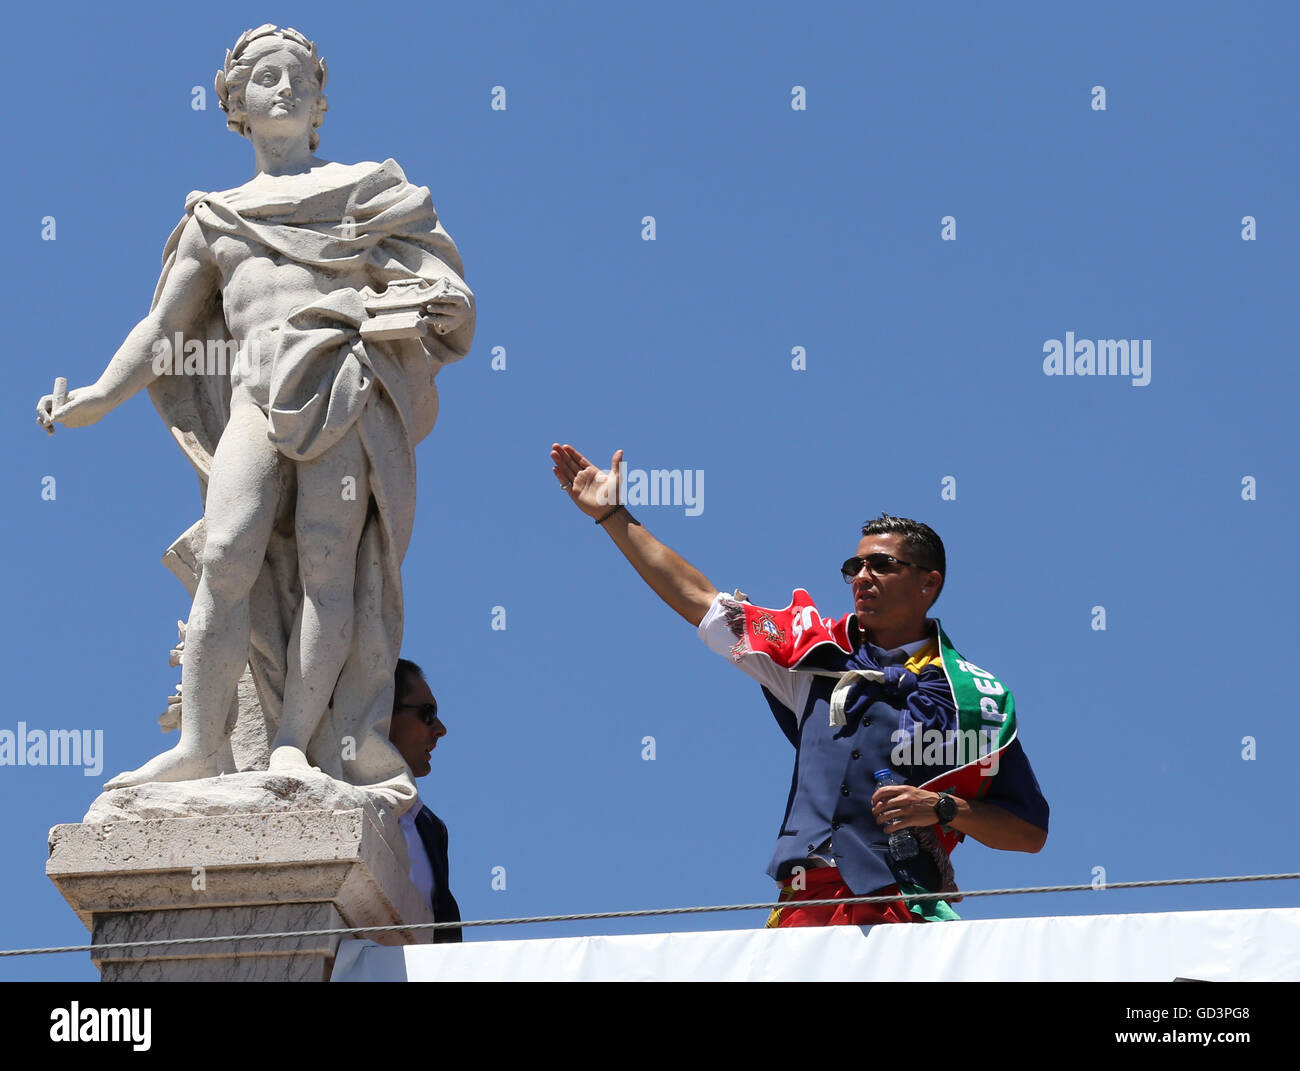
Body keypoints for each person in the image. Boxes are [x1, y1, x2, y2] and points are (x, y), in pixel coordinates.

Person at [36, 25, 474, 801]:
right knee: (227, 555)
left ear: (320, 100)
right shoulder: (215, 216)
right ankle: (202, 747)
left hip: (340, 387)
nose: (284, 87)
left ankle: (293, 745)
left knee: (326, 566)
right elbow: (163, 330)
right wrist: (100, 395)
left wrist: (436, 302)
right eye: (266, 77)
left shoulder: (365, 191)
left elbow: (439, 287)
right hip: (254, 395)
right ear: (235, 102)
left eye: (299, 76)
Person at [550, 444, 1048, 926]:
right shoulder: (811, 654)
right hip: (802, 912)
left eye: (882, 565)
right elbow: (698, 598)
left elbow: (1028, 831)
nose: (862, 577)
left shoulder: (972, 697)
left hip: (905, 914)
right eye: (855, 567)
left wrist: (943, 808)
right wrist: (614, 517)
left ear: (929, 584)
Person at [388, 658, 462, 942]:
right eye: (428, 713)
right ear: (382, 713)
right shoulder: (338, 800)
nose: (440, 728)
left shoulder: (431, 828)